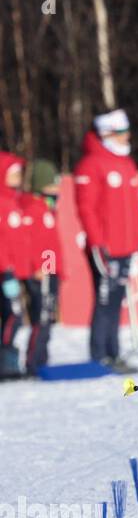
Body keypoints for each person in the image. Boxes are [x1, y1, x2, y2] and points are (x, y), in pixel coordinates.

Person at [73, 109, 138, 374]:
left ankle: (114, 354)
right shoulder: (90, 165)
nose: (127, 137)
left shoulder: (126, 164)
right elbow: (86, 208)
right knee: (104, 302)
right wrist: (97, 244)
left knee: (117, 301)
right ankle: (98, 357)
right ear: (107, 134)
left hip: (126, 247)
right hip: (104, 249)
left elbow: (135, 209)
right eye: (121, 133)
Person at [19, 159, 63, 376]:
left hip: (50, 269)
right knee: (41, 317)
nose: (56, 190)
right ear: (41, 186)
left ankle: (42, 359)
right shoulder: (31, 208)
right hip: (41, 272)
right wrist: (40, 267)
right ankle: (33, 362)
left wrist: (57, 268)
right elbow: (30, 244)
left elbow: (50, 244)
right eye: (52, 186)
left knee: (48, 316)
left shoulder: (47, 208)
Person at [0, 147, 26, 380]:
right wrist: (6, 267)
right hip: (4, 272)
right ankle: (6, 362)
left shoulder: (15, 201)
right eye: (13, 173)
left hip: (14, 271)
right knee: (13, 315)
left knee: (14, 315)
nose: (18, 177)